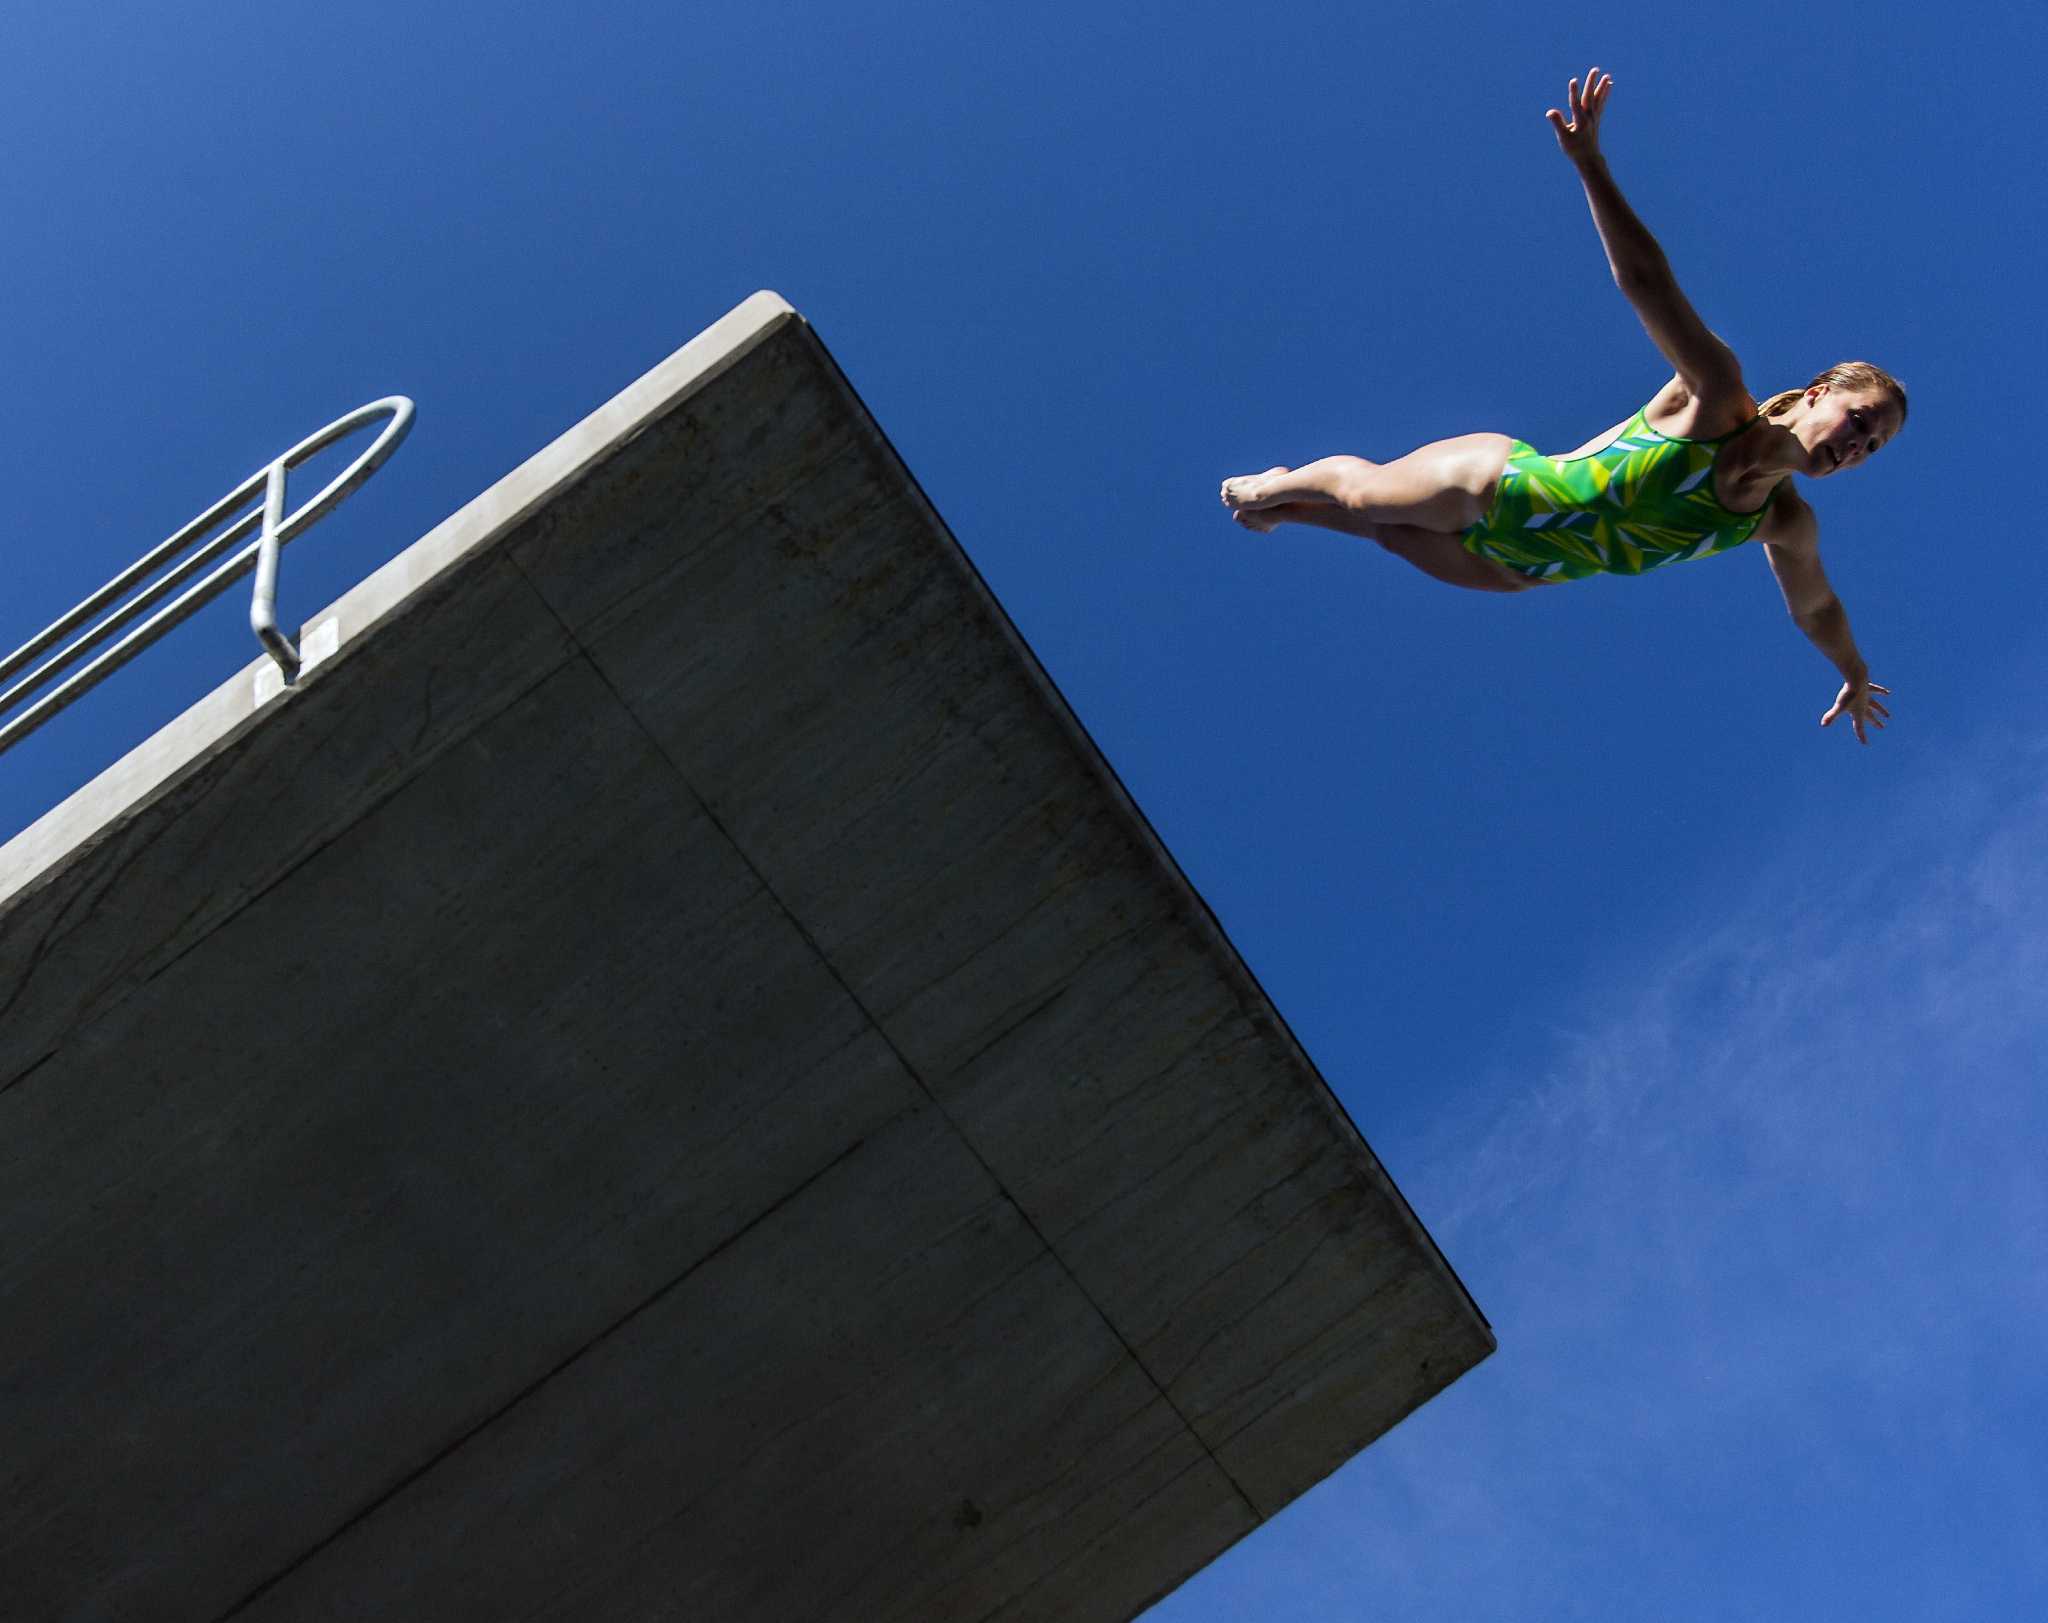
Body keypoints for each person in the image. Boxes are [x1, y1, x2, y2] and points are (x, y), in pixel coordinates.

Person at [1219, 68, 1905, 745]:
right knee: (1369, 499)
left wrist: (1854, 668)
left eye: (1872, 447)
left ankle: (1283, 513)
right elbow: (1644, 281)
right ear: (1818, 393)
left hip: (1519, 568)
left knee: (1389, 535)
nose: (1859, 446)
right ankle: (1274, 484)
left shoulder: (1783, 520)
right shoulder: (1718, 395)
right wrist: (1591, 164)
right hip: (1491, 489)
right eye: (1861, 421)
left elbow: (1815, 606)